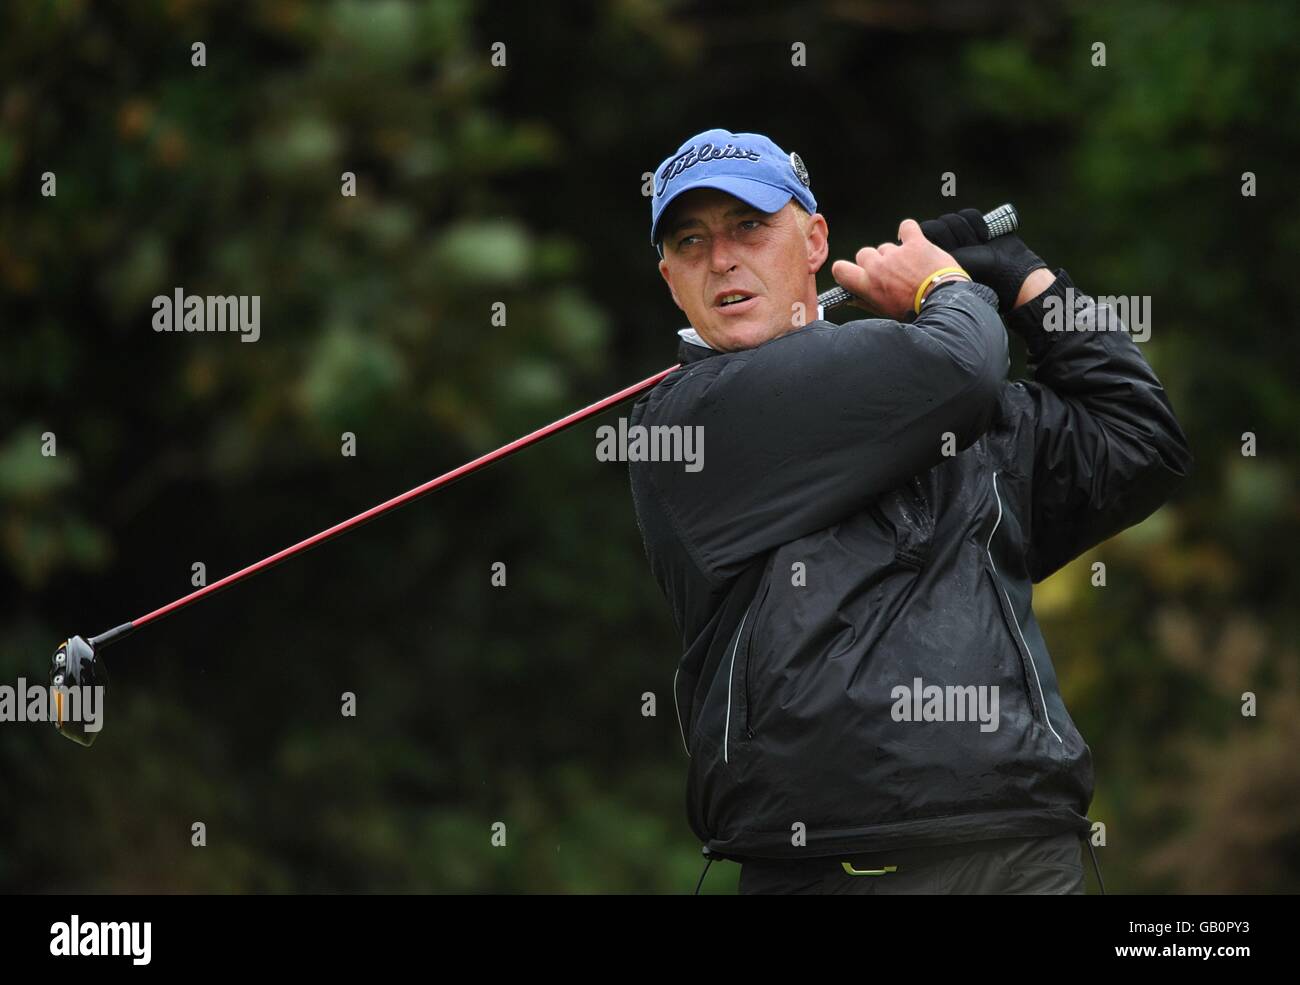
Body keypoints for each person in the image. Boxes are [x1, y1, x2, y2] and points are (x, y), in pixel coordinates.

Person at [627, 128, 1193, 894]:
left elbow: (1139, 442)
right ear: (671, 279)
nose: (721, 258)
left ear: (814, 239)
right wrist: (950, 287)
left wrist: (1029, 282)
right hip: (828, 864)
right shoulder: (685, 424)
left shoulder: (941, 397)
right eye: (690, 241)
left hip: (1019, 850)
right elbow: (960, 362)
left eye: (749, 226)